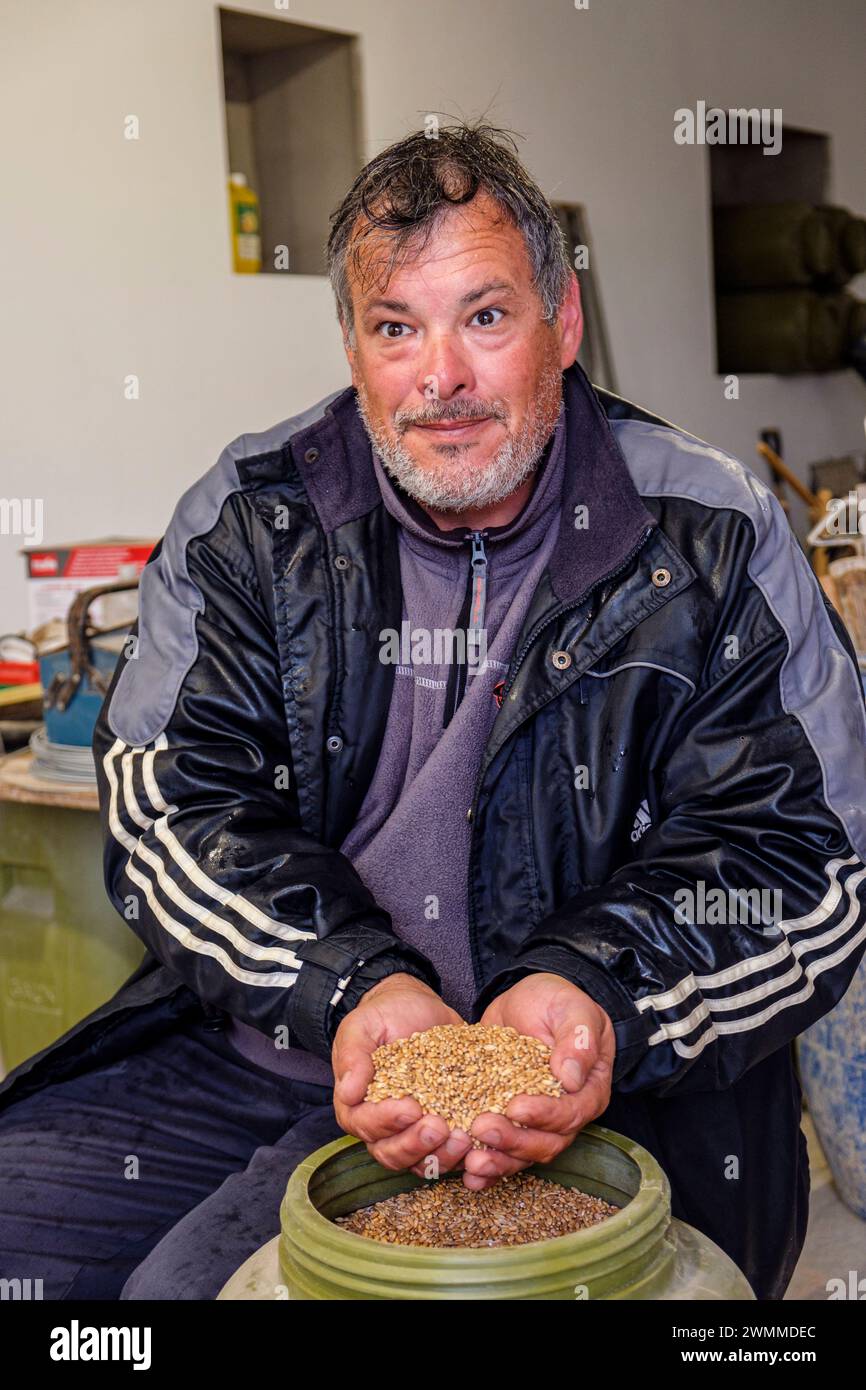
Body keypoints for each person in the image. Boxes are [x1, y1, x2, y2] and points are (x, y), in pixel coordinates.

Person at [1, 122, 865, 1302]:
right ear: (352, 347)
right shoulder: (254, 521)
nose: (440, 378)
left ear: (561, 327)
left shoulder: (708, 530)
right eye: (394, 327)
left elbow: (806, 860)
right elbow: (169, 809)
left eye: (485, 317)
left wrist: (593, 996)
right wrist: (356, 990)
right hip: (280, 1040)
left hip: (601, 1078)